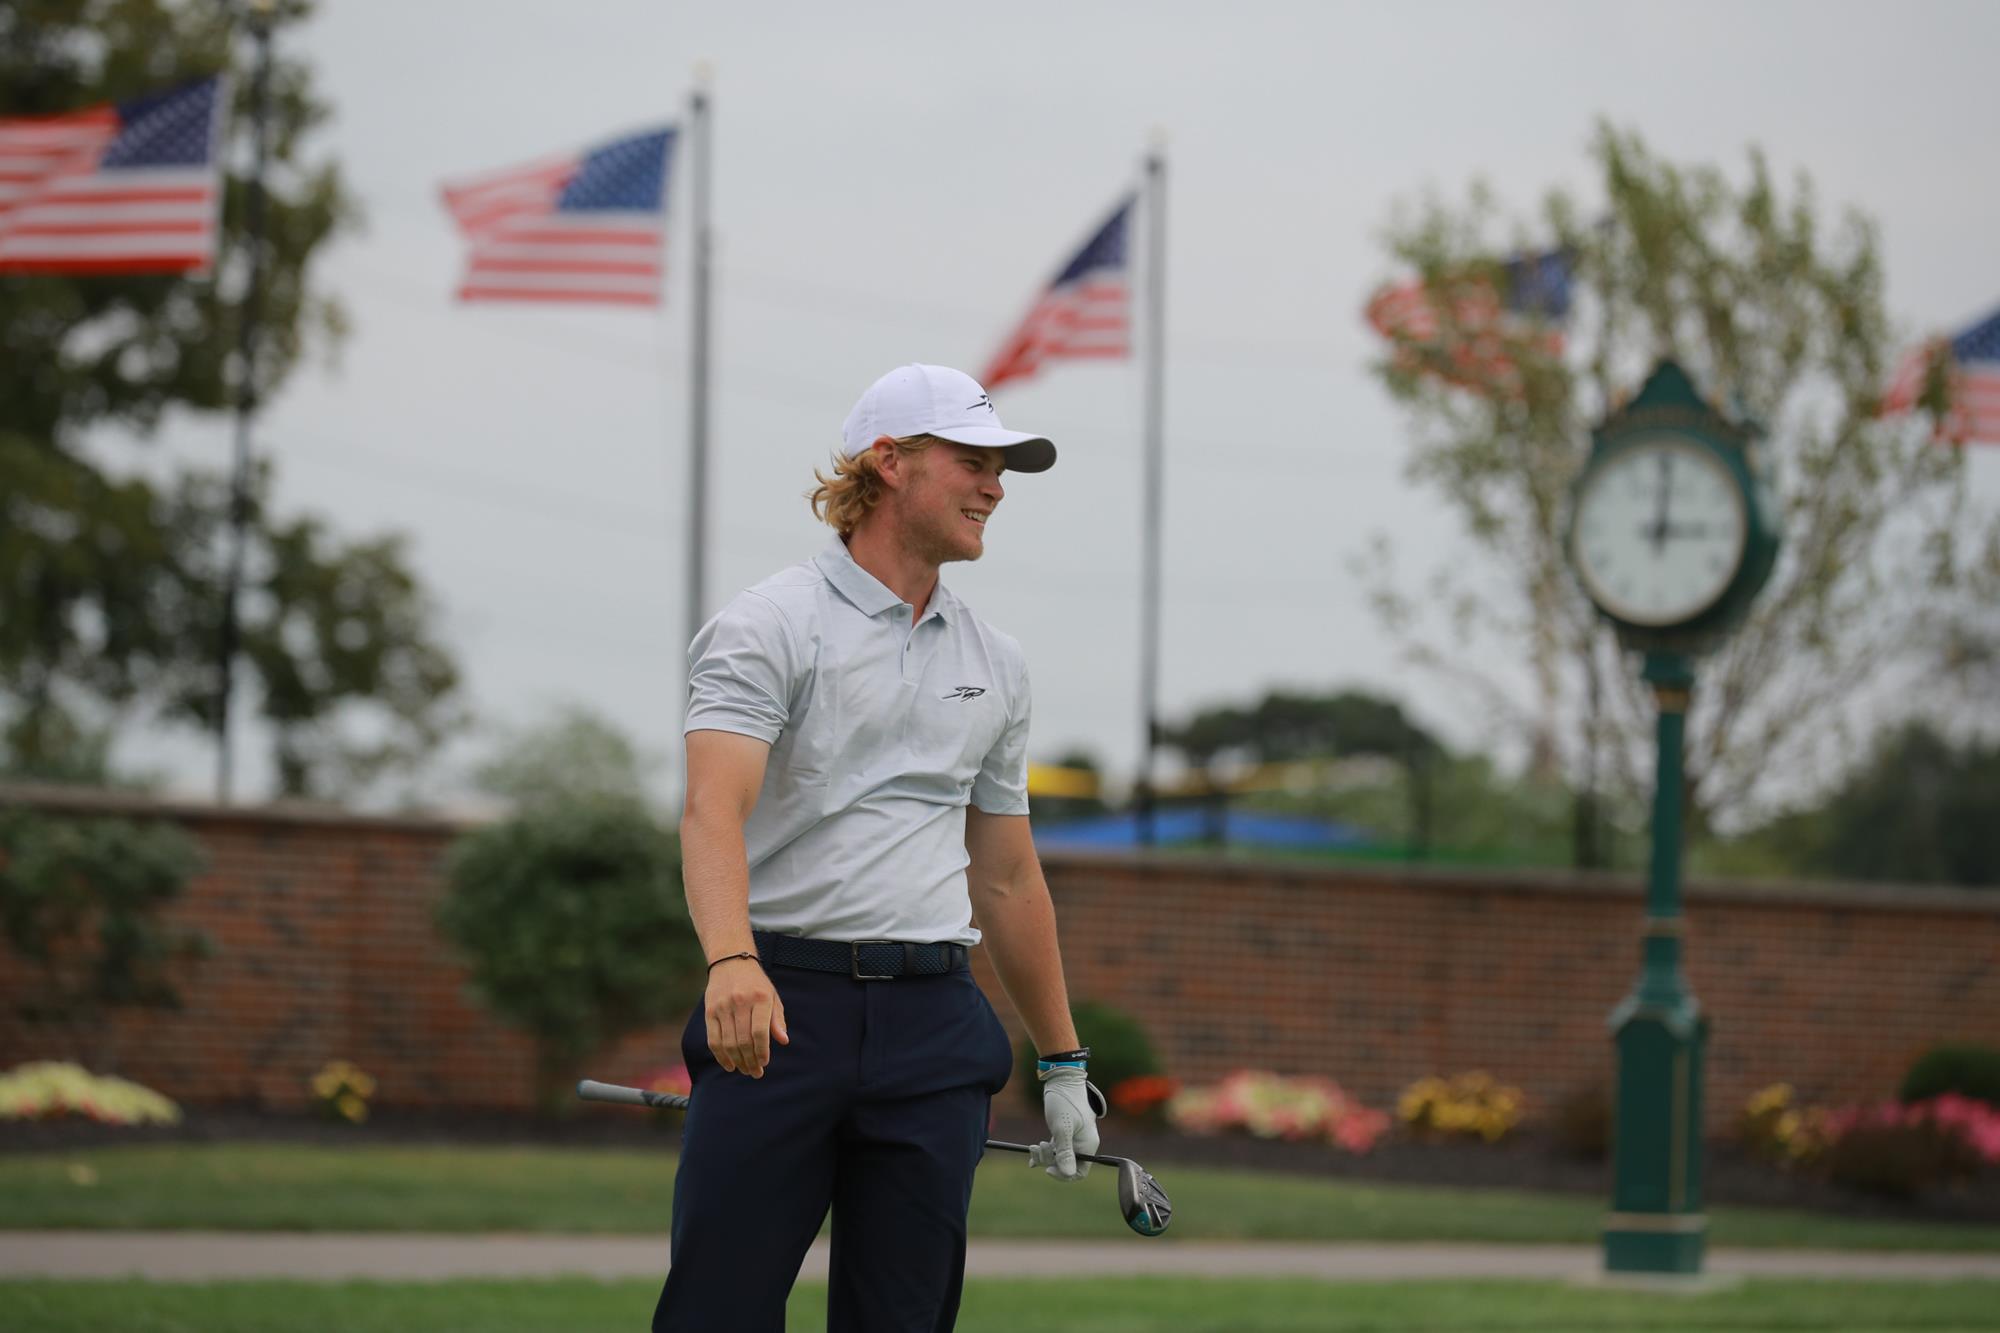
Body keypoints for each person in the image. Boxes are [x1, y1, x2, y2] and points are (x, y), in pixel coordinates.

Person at [655, 364, 1101, 1333]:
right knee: (714, 1316)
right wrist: (729, 960)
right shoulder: (766, 625)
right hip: (778, 1011)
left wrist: (1062, 1062)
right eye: (971, 460)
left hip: (934, 1023)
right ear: (887, 462)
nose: (993, 485)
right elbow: (709, 811)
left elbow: (1008, 872)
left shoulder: (997, 660)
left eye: (1001, 467)